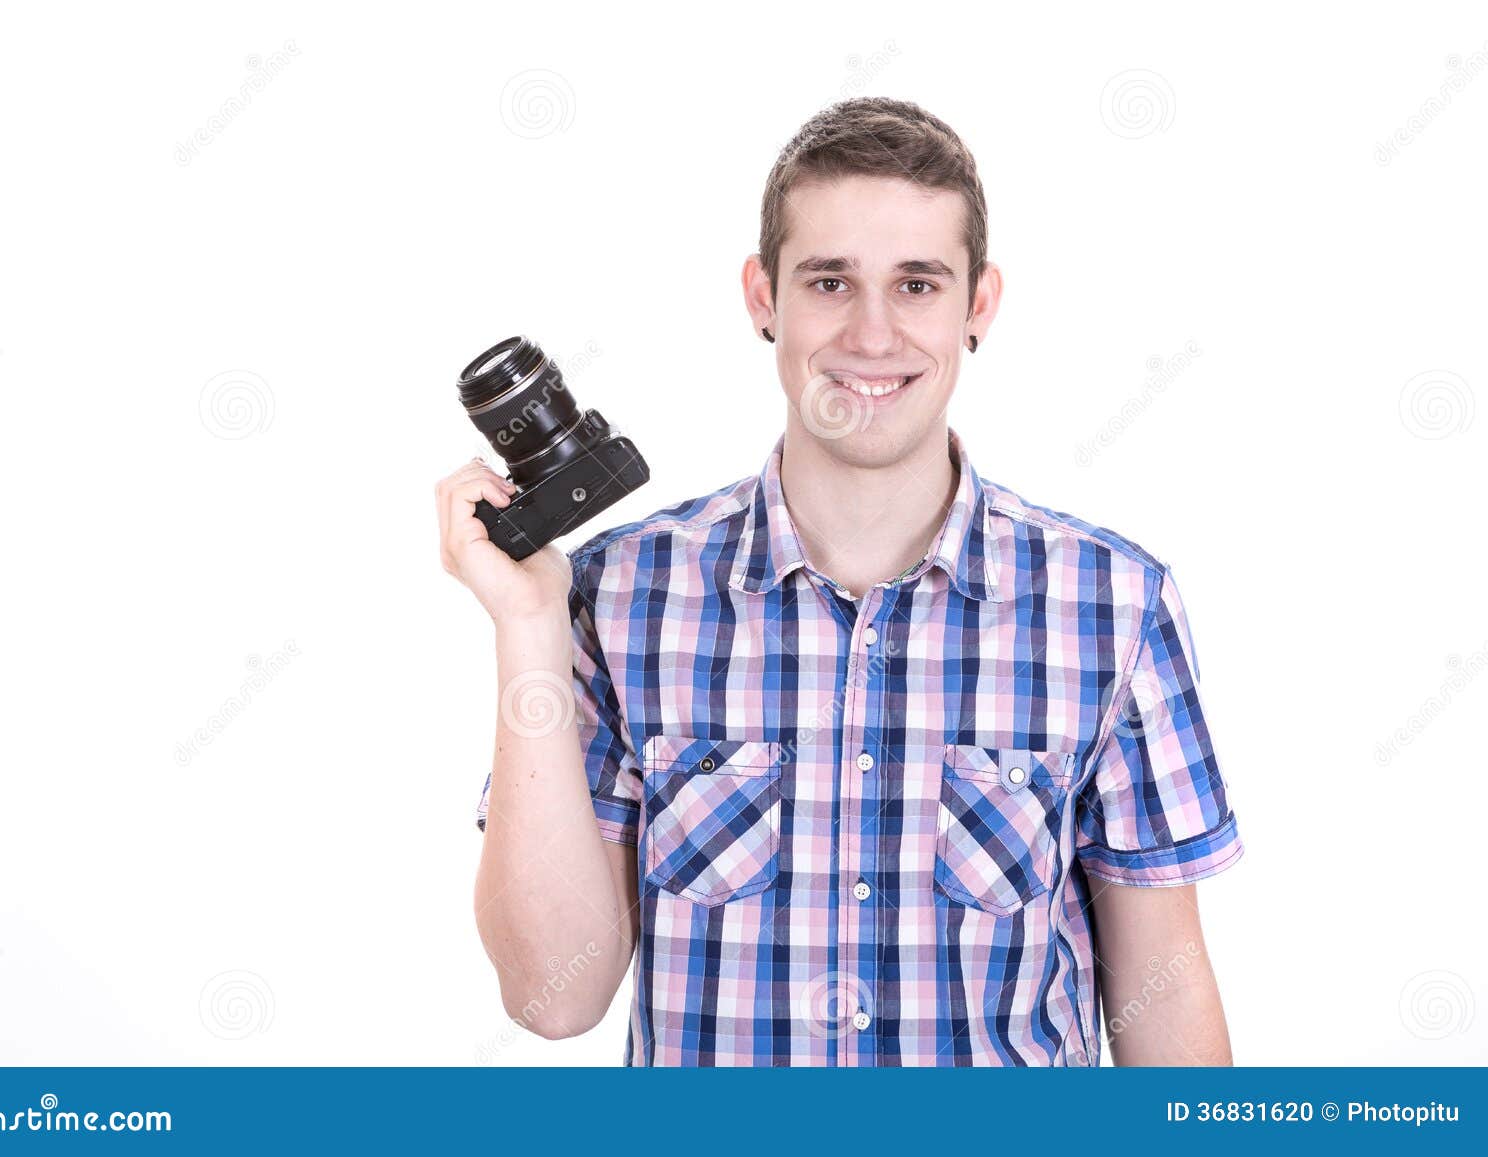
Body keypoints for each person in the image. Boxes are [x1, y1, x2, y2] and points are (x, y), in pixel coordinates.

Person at [437, 96, 1244, 1066]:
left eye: (915, 284)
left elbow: (1161, 994)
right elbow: (551, 994)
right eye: (828, 281)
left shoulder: (1111, 604)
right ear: (761, 295)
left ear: (976, 303)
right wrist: (526, 622)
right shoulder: (615, 598)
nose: (871, 334)